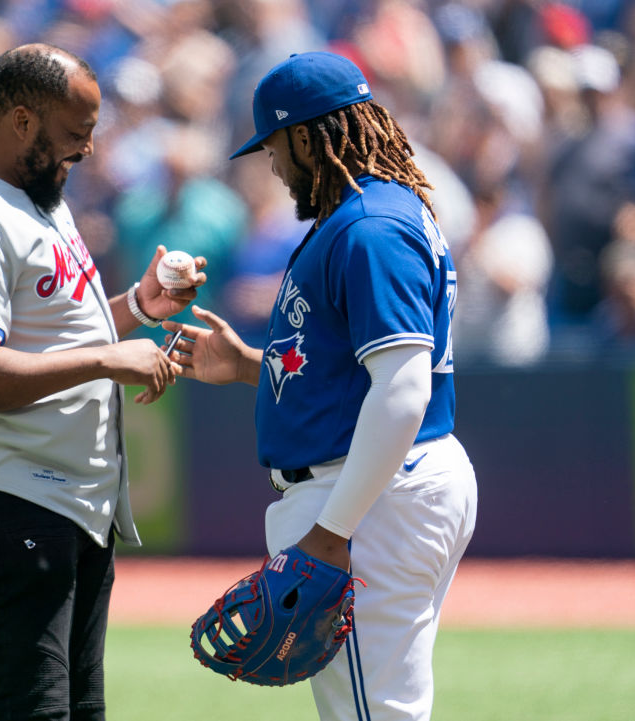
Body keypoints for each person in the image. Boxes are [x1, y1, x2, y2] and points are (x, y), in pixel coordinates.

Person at [0, 44, 205, 721]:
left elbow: (54, 333)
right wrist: (107, 361)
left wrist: (139, 308)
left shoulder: (30, 194)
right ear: (23, 121)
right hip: (0, 493)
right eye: (76, 132)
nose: (87, 149)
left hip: (58, 497)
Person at [164, 52, 477, 721]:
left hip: (370, 494)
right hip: (380, 485)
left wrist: (333, 531)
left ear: (306, 137)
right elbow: (351, 375)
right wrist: (249, 364)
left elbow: (403, 389)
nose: (273, 165)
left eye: (275, 145)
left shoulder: (368, 227)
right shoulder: (366, 216)